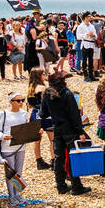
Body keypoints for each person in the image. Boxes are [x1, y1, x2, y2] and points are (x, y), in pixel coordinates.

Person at [42, 62, 92, 196]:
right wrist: (80, 131)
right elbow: (74, 115)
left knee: (59, 158)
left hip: (57, 129)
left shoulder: (47, 94)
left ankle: (61, 186)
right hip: (70, 129)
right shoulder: (67, 94)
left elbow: (43, 114)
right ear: (62, 82)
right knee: (73, 157)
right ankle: (76, 186)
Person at [0, 92, 29, 208]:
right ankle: (11, 195)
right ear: (11, 102)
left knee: (18, 172)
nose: (21, 103)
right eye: (18, 101)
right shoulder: (3, 114)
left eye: (22, 100)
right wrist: (3, 137)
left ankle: (17, 194)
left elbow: (26, 128)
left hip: (20, 146)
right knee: (10, 172)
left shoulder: (24, 114)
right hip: (7, 146)